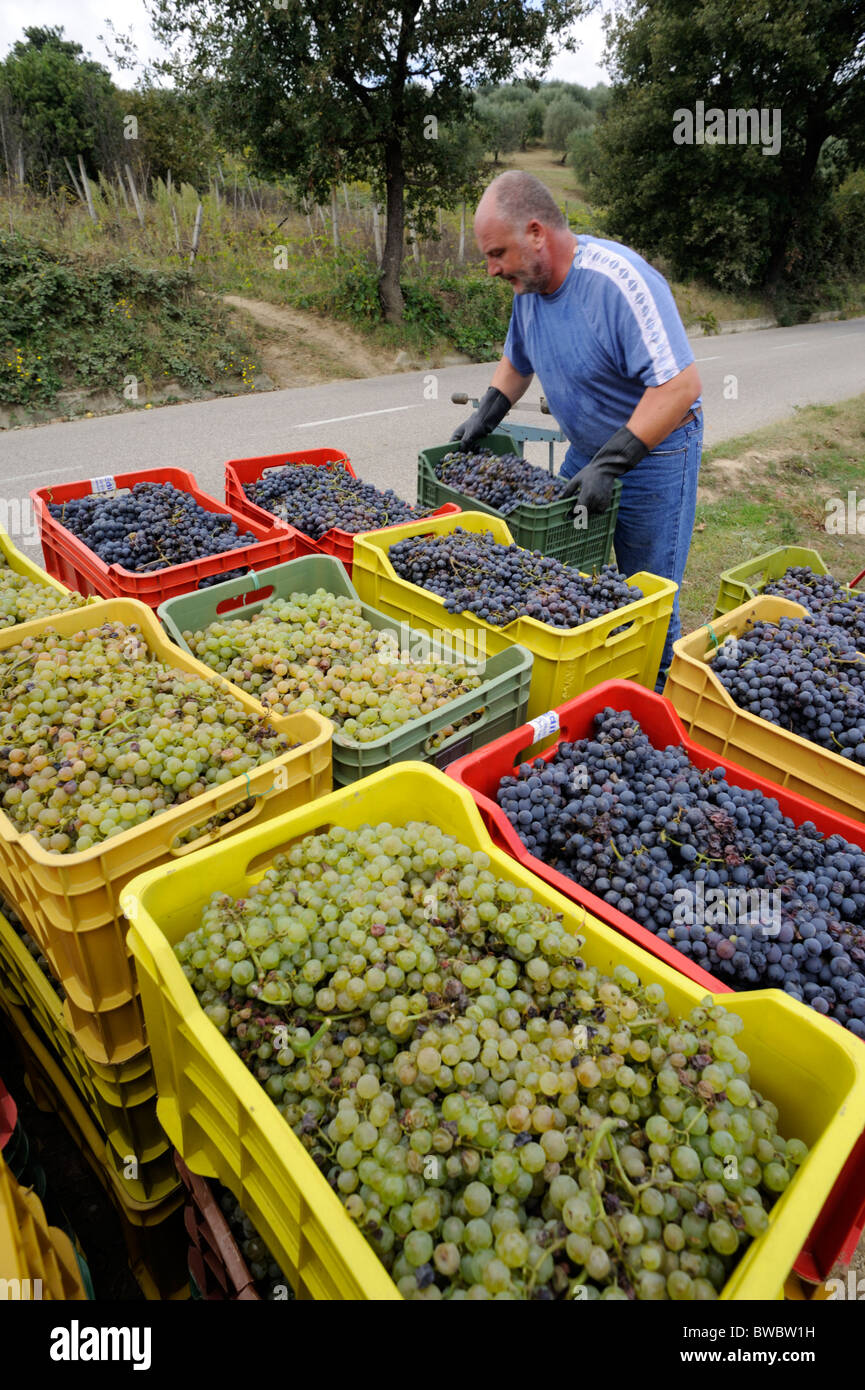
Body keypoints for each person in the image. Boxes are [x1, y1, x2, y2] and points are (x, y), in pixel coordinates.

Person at [451, 170, 703, 690]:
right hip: (588, 452)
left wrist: (611, 466)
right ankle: (578, 683)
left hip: (656, 455)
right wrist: (486, 413)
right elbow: (516, 361)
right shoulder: (529, 287)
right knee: (555, 579)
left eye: (497, 253)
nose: (492, 269)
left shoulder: (618, 283)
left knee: (646, 595)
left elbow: (680, 387)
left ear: (537, 233)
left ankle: (654, 702)